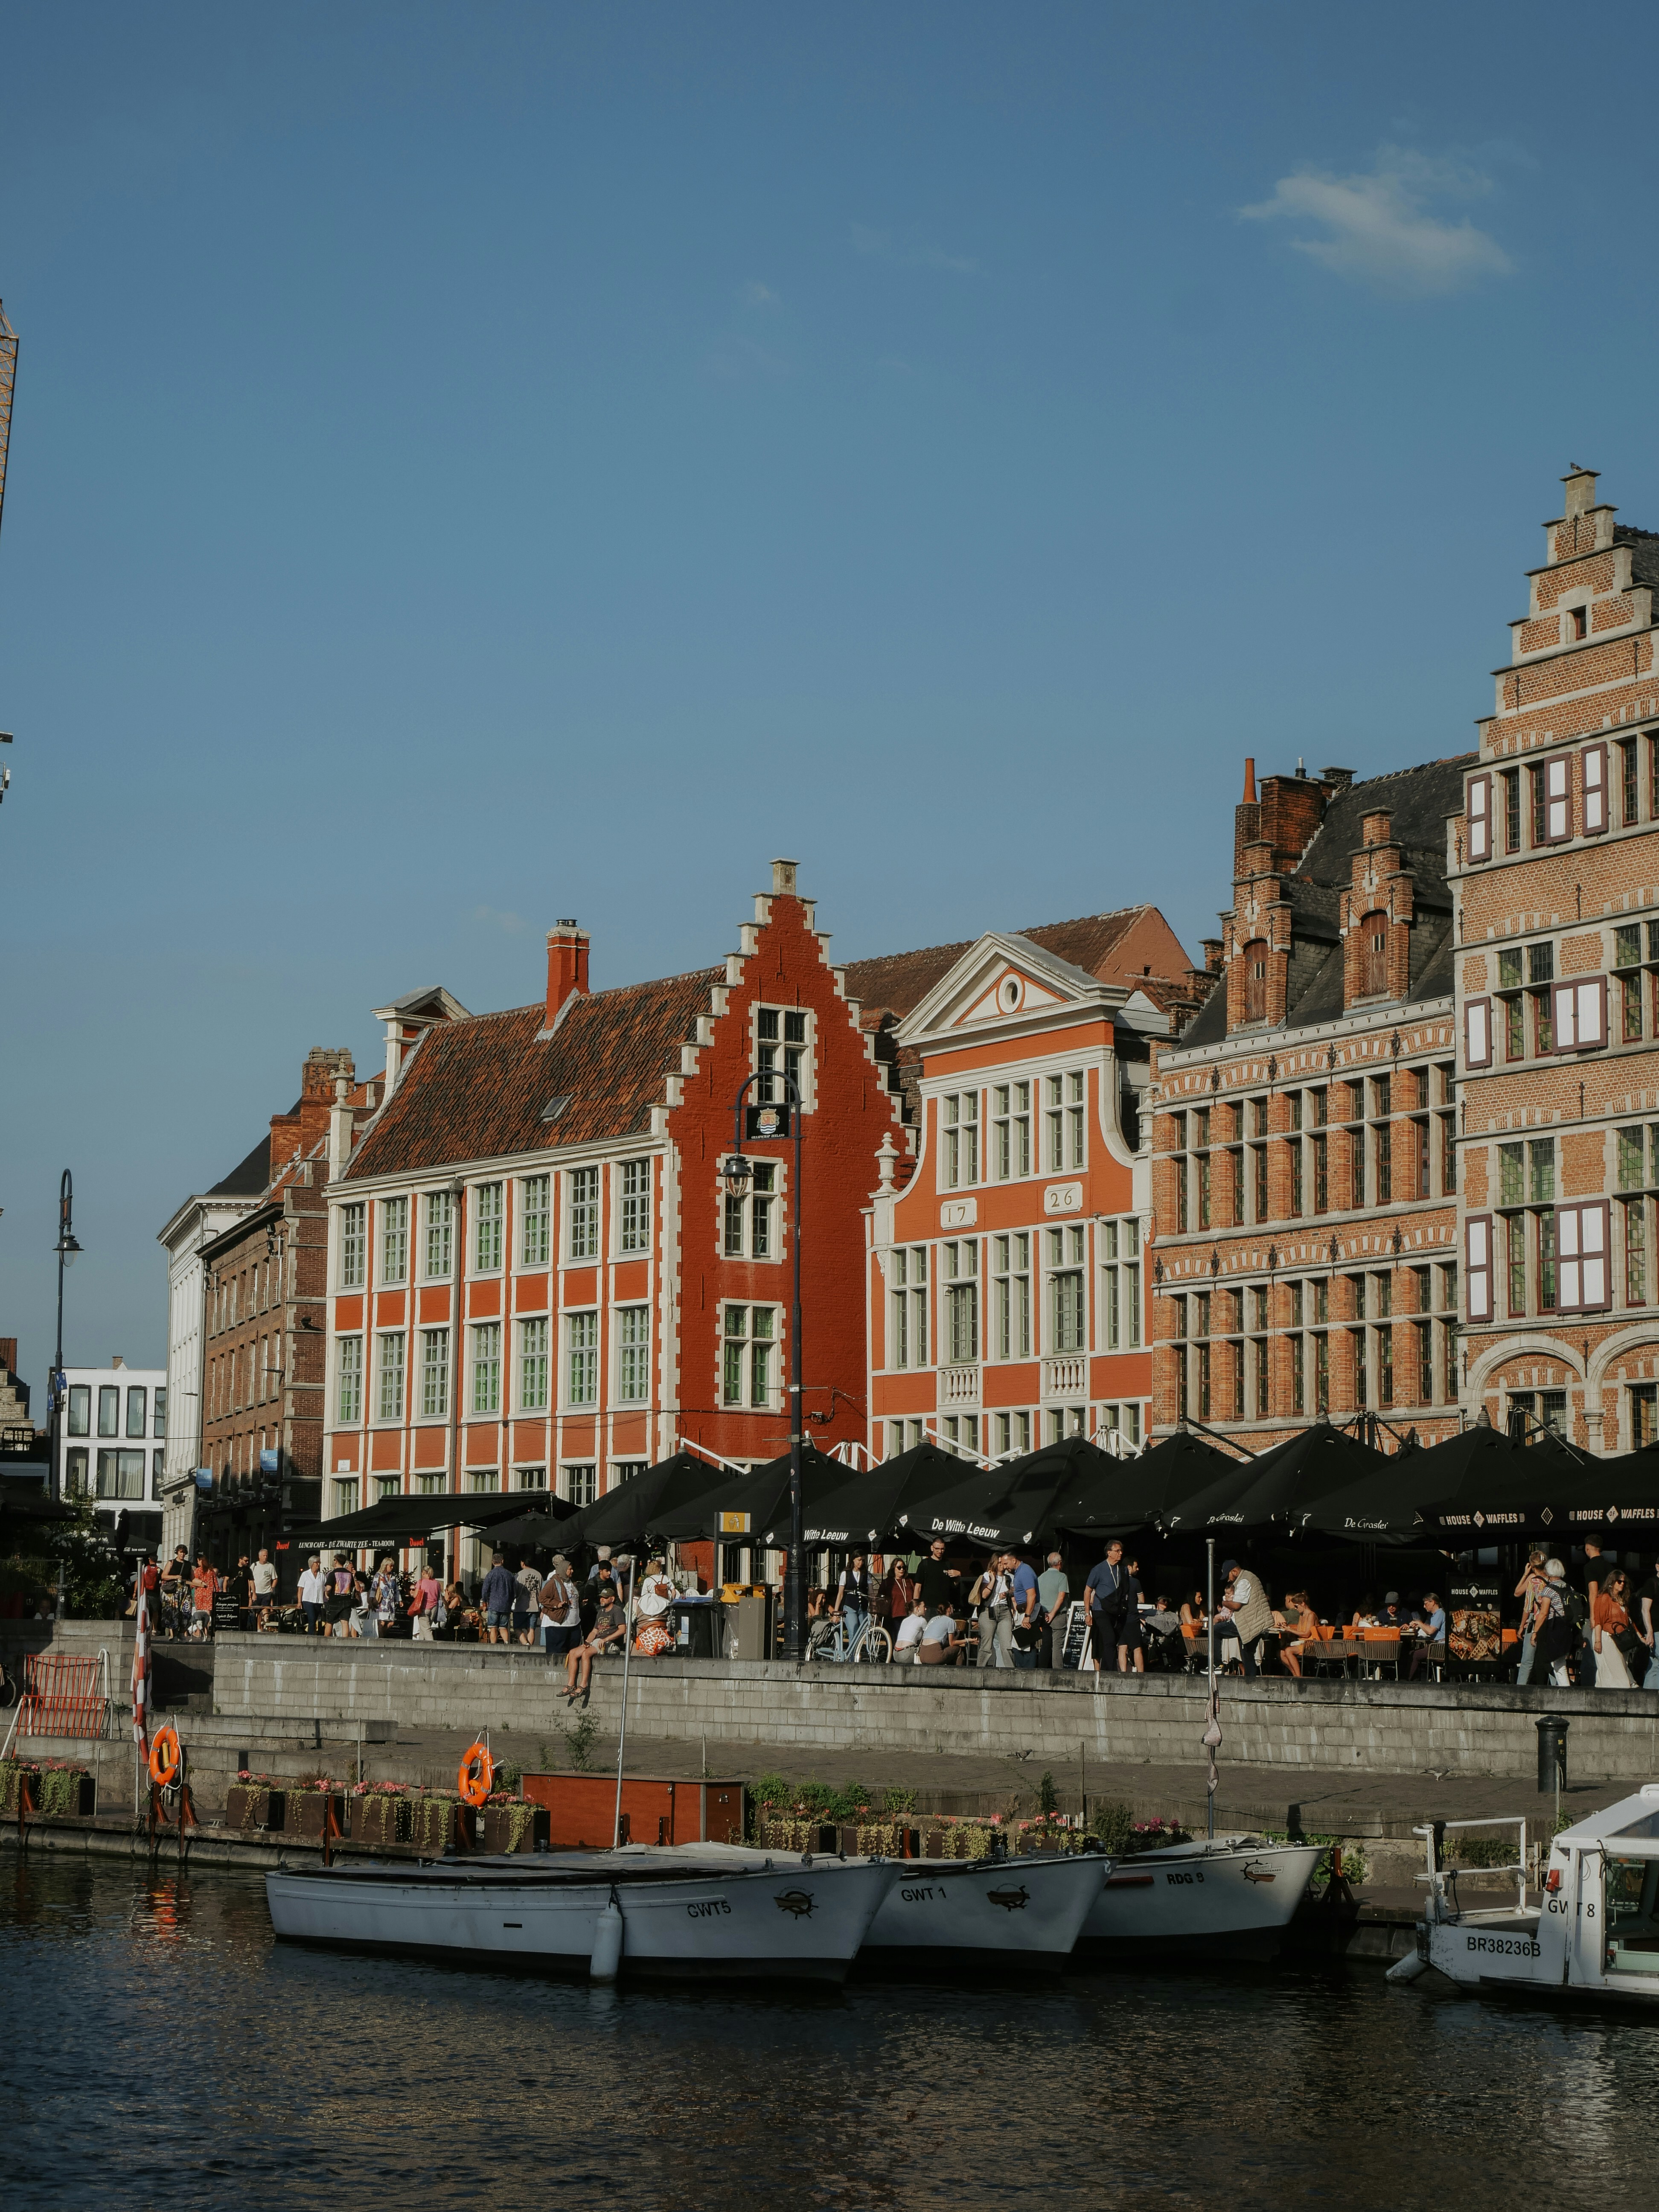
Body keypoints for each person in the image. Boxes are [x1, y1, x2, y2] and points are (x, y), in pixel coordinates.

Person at [566, 1583, 627, 1700]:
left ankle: (583, 1685)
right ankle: (571, 1685)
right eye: (601, 1597)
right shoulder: (601, 1612)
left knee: (586, 1654)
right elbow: (595, 1630)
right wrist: (587, 1642)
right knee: (573, 1653)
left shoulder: (617, 1611)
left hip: (611, 1644)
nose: (602, 1600)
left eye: (605, 1598)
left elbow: (623, 1630)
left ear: (612, 1599)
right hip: (597, 1641)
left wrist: (606, 1639)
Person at [1217, 1558, 1275, 1680]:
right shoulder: (1248, 1577)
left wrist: (1224, 1602)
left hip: (1249, 1623)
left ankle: (1217, 1664)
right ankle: (1251, 1682)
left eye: (1228, 1576)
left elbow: (1237, 1605)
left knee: (1215, 1631)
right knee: (1248, 1653)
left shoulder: (1243, 1581)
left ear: (1235, 1571)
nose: (1228, 1580)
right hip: (1255, 1623)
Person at [1084, 1540, 1135, 1673]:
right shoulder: (1098, 1569)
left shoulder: (1123, 1570)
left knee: (1113, 1641)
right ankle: (1111, 1672)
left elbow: (1126, 1590)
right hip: (1101, 1610)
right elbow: (1088, 1591)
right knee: (1110, 1640)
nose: (1121, 1553)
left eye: (1121, 1551)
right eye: (1117, 1551)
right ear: (1109, 1552)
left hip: (1117, 1610)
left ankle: (1106, 1670)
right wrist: (1087, 1613)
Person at [1592, 1568, 1639, 1689]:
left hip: (1620, 1639)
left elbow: (1629, 1621)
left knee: (1618, 1666)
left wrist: (1640, 1636)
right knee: (1613, 1667)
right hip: (1605, 1636)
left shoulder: (1622, 1600)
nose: (1622, 1584)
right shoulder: (1604, 1598)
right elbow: (1598, 1621)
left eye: (1624, 1582)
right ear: (1612, 1582)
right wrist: (1598, 1641)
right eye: (1619, 1581)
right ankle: (1623, 1688)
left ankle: (1603, 1690)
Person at [1531, 1560, 1575, 1687]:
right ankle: (1564, 1688)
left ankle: (1565, 1689)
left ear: (1548, 1572)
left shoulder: (1548, 1590)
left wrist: (1535, 1632)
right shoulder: (1569, 1588)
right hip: (1568, 1627)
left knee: (1551, 1660)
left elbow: (1544, 1613)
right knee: (1560, 1662)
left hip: (1555, 1627)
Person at [1513, 1550, 1550, 1685]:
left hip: (1535, 1621)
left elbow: (1521, 1599)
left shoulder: (1533, 1580)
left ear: (1532, 1566)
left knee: (1527, 1661)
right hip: (1550, 1622)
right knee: (1551, 1660)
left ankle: (1520, 1690)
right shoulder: (1552, 1578)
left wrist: (1521, 1627)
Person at [970, 1555, 1013, 1670]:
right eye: (999, 1562)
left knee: (1007, 1646)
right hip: (988, 1611)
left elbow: (1012, 1598)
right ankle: (979, 1671)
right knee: (987, 1645)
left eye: (1004, 1563)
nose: (1002, 1565)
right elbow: (984, 1595)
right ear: (994, 1562)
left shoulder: (1009, 1578)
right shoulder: (987, 1576)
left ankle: (1010, 1672)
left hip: (1005, 1611)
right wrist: (993, 1580)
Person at [539, 1556, 581, 1658]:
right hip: (558, 1625)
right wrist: (556, 1604)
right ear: (563, 1570)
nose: (572, 1571)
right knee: (557, 1655)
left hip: (574, 1624)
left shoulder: (572, 1582)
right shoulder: (553, 1582)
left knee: (571, 1653)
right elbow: (542, 1598)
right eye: (570, 1569)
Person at [1036, 1551, 1071, 1669]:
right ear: (1060, 1563)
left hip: (1044, 1615)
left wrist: (1047, 1614)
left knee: (1046, 1644)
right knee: (1057, 1646)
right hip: (1058, 1615)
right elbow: (1061, 1597)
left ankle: (1042, 1670)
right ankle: (1058, 1673)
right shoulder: (1062, 1577)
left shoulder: (1041, 1578)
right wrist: (1053, 1614)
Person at [1009, 1551, 1041, 1671]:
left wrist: (1028, 1616)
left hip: (1027, 1611)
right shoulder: (1018, 1572)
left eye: (1006, 1563)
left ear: (1014, 1560)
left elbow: (1032, 1595)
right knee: (1019, 1645)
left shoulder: (1025, 1571)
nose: (1005, 1566)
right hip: (1021, 1611)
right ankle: (1022, 1671)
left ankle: (1028, 1673)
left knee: (1026, 1645)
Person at [833, 1552, 873, 1648]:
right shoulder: (846, 1574)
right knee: (853, 1632)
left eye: (863, 1560)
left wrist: (873, 1608)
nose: (861, 1563)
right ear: (853, 1560)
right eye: (859, 1560)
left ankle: (862, 1655)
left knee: (865, 1633)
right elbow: (841, 1594)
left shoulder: (866, 1574)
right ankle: (852, 1660)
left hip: (863, 1607)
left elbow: (871, 1593)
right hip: (850, 1607)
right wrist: (835, 1613)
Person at [1407, 1591, 1448, 1680]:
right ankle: (1418, 1680)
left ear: (1432, 1602)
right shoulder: (1436, 1615)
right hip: (1437, 1645)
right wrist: (1419, 1626)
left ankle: (1408, 1680)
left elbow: (1430, 1631)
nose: (1424, 1607)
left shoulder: (1439, 1614)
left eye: (1426, 1604)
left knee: (1414, 1655)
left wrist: (1419, 1622)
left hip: (1440, 1647)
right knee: (1413, 1653)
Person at [1279, 1591, 1320, 1679]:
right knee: (1282, 1653)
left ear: (1303, 1604)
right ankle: (1295, 1675)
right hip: (1302, 1643)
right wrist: (1288, 1627)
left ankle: (1299, 1677)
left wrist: (1290, 1630)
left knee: (1289, 1651)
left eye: (1297, 1606)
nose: (1296, 1609)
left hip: (1311, 1644)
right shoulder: (1302, 1615)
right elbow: (1299, 1630)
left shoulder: (1311, 1615)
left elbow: (1306, 1634)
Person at [914, 1537, 960, 1613]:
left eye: (942, 1549)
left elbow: (954, 1585)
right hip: (928, 1607)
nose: (940, 1551)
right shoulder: (925, 1564)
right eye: (937, 1549)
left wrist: (958, 1576)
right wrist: (916, 1606)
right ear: (932, 1548)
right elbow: (918, 1587)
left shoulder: (948, 1564)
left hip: (945, 1608)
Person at [480, 1551, 517, 1645]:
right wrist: (510, 1601)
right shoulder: (510, 1575)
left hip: (493, 1604)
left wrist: (485, 1603)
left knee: (493, 1628)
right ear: (503, 1561)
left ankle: (494, 1646)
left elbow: (485, 1590)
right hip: (506, 1605)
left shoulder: (491, 1574)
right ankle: (507, 1643)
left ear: (493, 1562)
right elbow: (514, 1591)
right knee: (503, 1627)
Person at [919, 1602, 966, 1667]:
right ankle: (959, 1673)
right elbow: (952, 1643)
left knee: (948, 1650)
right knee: (958, 1650)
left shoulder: (933, 1619)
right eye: (952, 1607)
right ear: (949, 1609)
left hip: (922, 1655)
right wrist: (967, 1640)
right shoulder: (950, 1621)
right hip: (934, 1656)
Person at [408, 1560, 442, 1641]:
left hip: (424, 1608)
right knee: (425, 1628)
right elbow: (439, 1597)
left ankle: (432, 1647)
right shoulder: (437, 1583)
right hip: (434, 1608)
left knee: (427, 1630)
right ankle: (421, 1646)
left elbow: (415, 1596)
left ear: (424, 1573)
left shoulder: (421, 1582)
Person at [512, 1558, 541, 1647]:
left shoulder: (519, 1575)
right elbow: (541, 1591)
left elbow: (514, 1592)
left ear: (523, 1563)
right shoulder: (538, 1575)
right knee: (531, 1629)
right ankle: (530, 1648)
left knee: (517, 1628)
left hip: (521, 1607)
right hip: (535, 1606)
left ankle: (526, 1644)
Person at [894, 1594, 929, 1663]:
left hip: (896, 1654)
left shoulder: (905, 1620)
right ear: (917, 1608)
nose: (926, 1609)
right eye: (924, 1607)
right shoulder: (922, 1621)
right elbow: (927, 1638)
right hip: (907, 1654)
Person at [191, 1554, 218, 1639]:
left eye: (198, 1561)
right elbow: (216, 1584)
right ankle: (207, 1632)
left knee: (199, 1614)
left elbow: (193, 1583)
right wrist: (217, 1593)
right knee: (208, 1614)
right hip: (209, 1594)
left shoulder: (197, 1571)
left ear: (200, 1561)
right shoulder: (211, 1571)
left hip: (199, 1593)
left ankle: (199, 1632)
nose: (198, 1563)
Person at [251, 1547, 279, 1623]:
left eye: (266, 1556)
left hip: (267, 1592)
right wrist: (251, 1592)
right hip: (256, 1592)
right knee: (258, 1612)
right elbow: (250, 1580)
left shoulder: (270, 1566)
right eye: (264, 1556)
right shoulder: (254, 1565)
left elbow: (275, 1578)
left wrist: (272, 1589)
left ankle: (266, 1625)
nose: (265, 1557)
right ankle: (259, 1628)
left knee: (265, 1609)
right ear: (260, 1556)